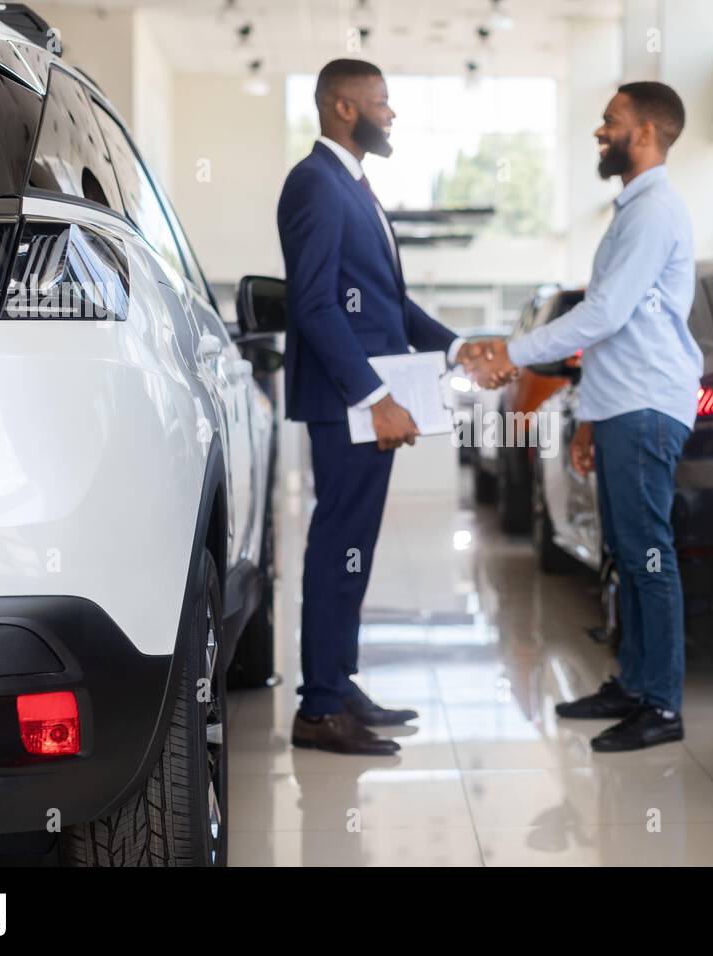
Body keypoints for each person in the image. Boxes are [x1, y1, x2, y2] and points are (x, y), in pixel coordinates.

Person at [468, 82, 701, 751]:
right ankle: (632, 684)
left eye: (612, 121)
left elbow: (602, 316)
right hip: (624, 405)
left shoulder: (654, 212)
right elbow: (612, 334)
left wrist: (510, 354)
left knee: (648, 553)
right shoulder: (633, 211)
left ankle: (661, 704)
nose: (601, 131)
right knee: (624, 553)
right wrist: (593, 418)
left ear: (649, 132)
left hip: (647, 407)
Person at [277, 58, 487, 755]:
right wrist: (375, 396)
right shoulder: (315, 184)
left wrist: (458, 349)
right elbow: (312, 305)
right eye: (381, 102)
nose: (391, 113)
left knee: (354, 551)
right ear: (343, 107)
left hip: (365, 403)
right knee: (337, 543)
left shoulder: (354, 185)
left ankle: (338, 682)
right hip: (348, 405)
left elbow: (388, 305)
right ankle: (318, 709)